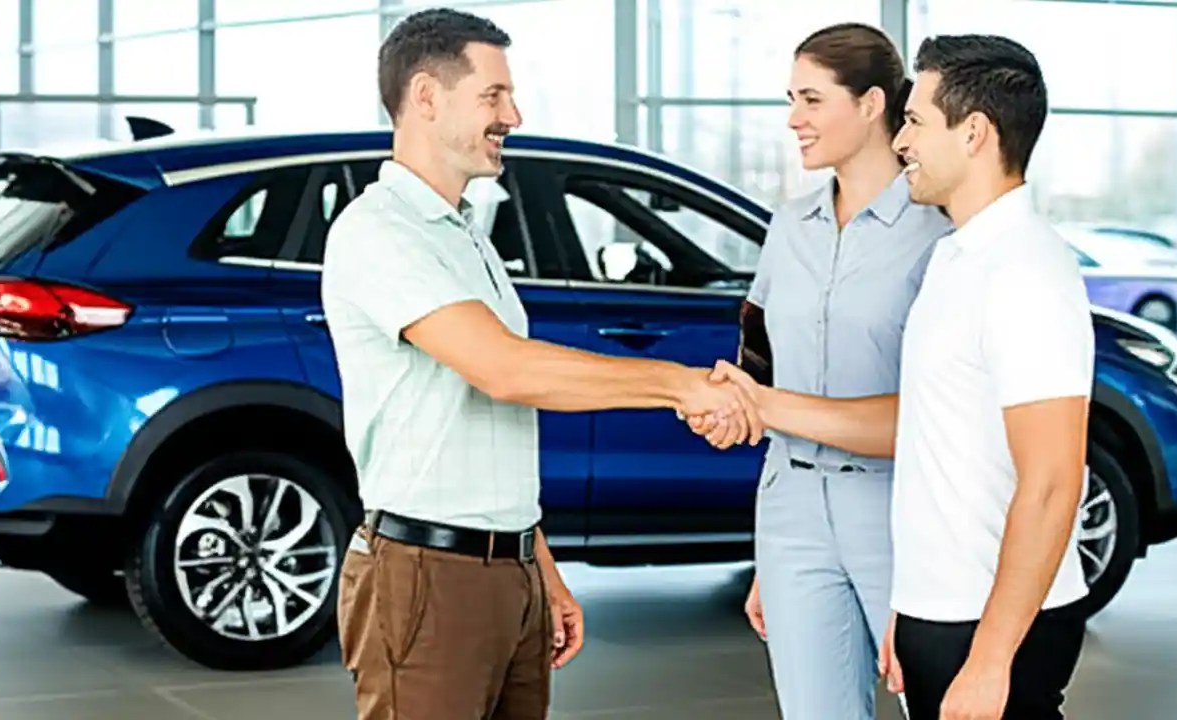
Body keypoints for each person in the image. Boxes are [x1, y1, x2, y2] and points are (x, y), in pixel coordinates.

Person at [323, 9, 761, 719]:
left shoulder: (466, 236)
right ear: (428, 97)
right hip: (429, 577)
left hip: (510, 571)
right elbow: (506, 371)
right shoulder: (379, 233)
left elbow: (492, 427)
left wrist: (539, 567)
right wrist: (678, 385)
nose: (513, 114)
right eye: (493, 96)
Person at [696, 33, 1094, 720]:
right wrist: (908, 602)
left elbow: (1055, 480)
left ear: (973, 133)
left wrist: (992, 658)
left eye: (916, 120)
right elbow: (936, 436)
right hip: (916, 584)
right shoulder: (957, 260)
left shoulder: (1021, 268)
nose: (905, 140)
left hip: (969, 600)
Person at [700, 22, 951, 720]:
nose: (794, 119)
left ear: (871, 104)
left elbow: (941, 410)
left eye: (811, 99)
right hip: (790, 510)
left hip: (898, 509)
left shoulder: (940, 233)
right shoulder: (789, 226)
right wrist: (769, 553)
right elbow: (761, 367)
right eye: (791, 99)